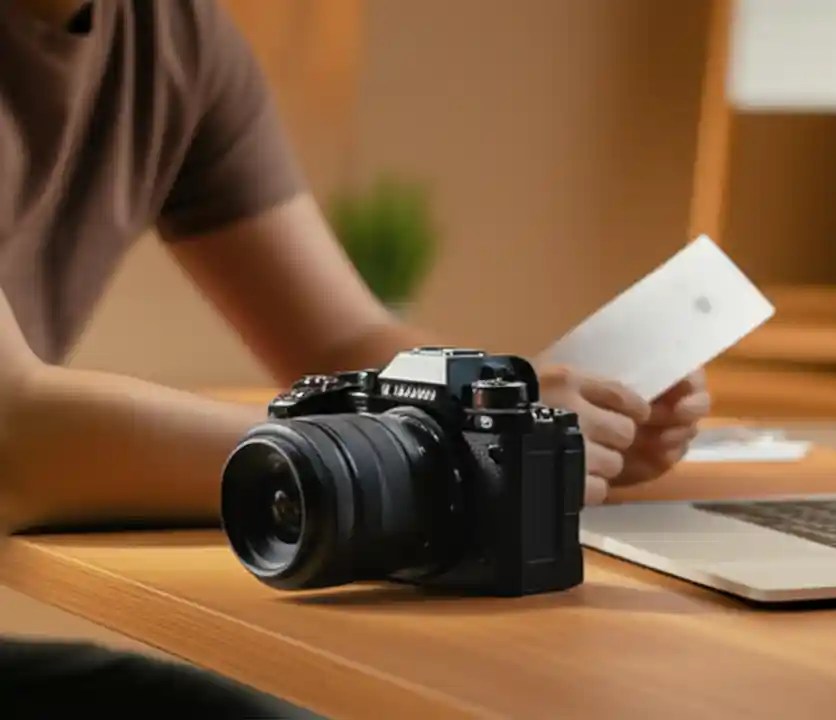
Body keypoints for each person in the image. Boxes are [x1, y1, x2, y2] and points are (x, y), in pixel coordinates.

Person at [0, 0, 710, 716]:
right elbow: (14, 441)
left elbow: (343, 341)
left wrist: (527, 424)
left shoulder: (174, 35)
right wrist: (444, 451)